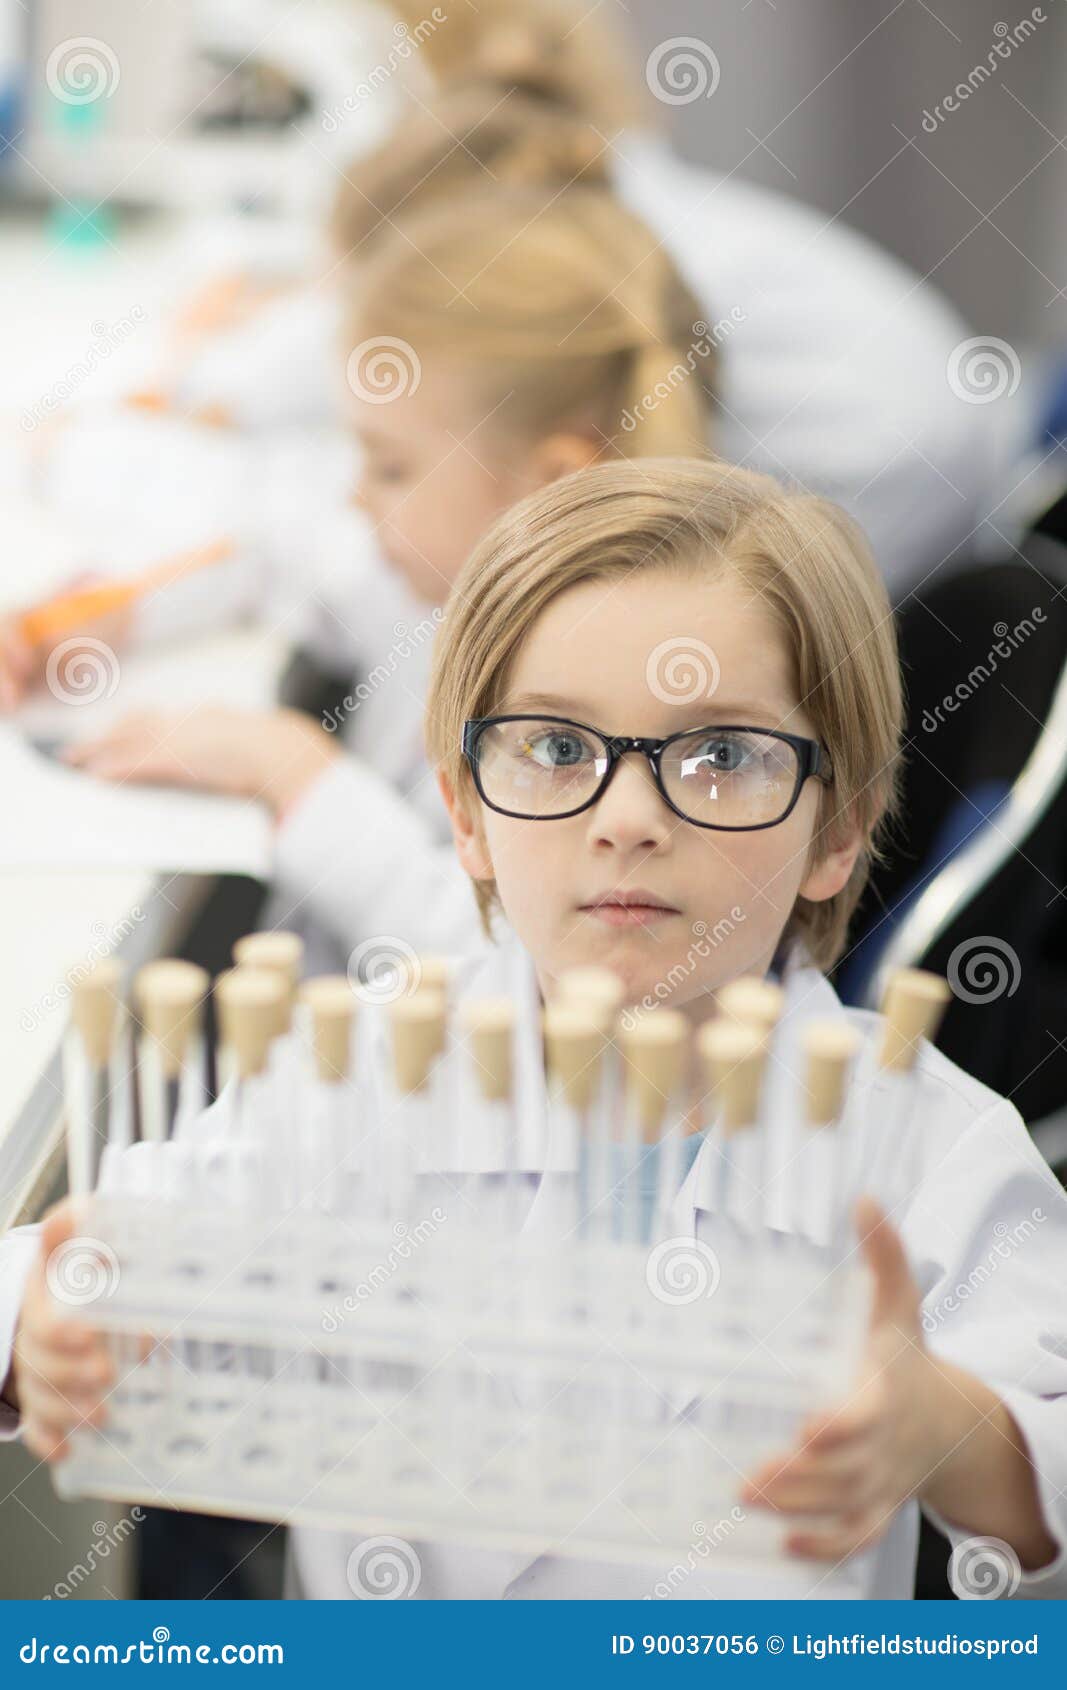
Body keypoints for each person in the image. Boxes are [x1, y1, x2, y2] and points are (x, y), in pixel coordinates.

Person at [5, 457, 1065, 1600]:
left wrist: (945, 1429)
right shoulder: (358, 1075)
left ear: (836, 830)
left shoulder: (928, 1145)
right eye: (557, 748)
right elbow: (82, 1258)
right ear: (463, 813)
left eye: (719, 755)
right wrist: (47, 1323)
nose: (627, 818)